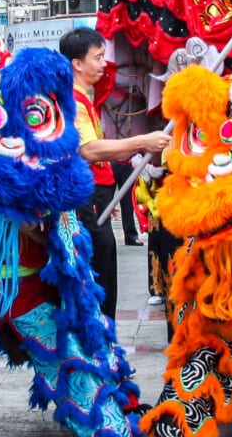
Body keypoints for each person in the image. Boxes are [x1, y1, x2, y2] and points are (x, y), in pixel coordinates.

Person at [58, 28, 170, 320]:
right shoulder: (73, 101)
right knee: (99, 273)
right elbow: (89, 150)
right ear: (77, 64)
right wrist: (142, 141)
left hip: (97, 196)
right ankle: (98, 337)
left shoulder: (82, 99)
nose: (103, 64)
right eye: (97, 58)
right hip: (88, 198)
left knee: (104, 267)